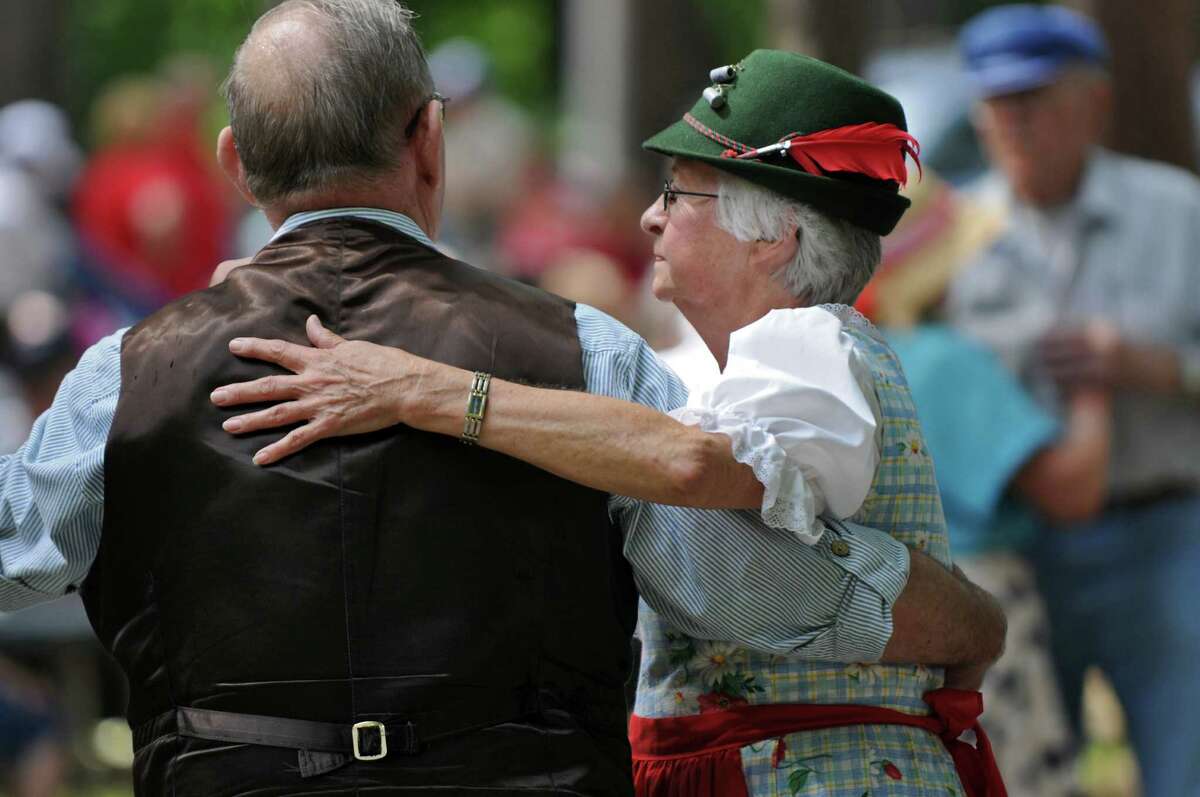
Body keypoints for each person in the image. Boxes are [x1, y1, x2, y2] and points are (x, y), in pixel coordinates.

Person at [0, 3, 1001, 795]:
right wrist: (954, 613)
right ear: (430, 141)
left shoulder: (129, 370)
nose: (654, 217)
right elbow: (739, 583)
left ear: (234, 161)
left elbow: (16, 549)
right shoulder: (583, 352)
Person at [945, 5, 1200, 795]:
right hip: (1018, 551)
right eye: (996, 103)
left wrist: (1159, 367)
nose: (1013, 121)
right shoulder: (949, 237)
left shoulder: (1180, 213)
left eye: (1035, 99)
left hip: (1165, 532)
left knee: (1184, 758)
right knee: (1026, 773)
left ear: (1093, 104)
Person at [855, 171, 1110, 796]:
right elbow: (1071, 489)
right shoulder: (944, 360)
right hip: (977, 609)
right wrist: (1092, 387)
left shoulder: (855, 353)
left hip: (889, 611)